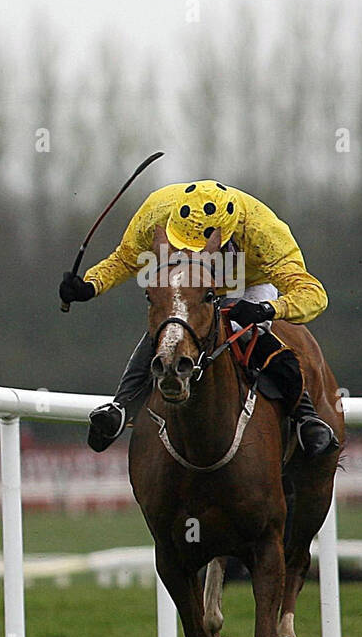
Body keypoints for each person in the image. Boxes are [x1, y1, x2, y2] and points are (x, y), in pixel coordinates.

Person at [59, 179, 340, 458]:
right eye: (185, 243)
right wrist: (90, 285)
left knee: (246, 329)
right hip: (188, 282)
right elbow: (125, 259)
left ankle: (305, 416)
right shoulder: (157, 210)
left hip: (247, 282)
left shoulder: (263, 230)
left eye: (199, 246)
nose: (193, 251)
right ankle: (121, 407)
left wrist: (266, 309)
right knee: (173, 323)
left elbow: (313, 295)